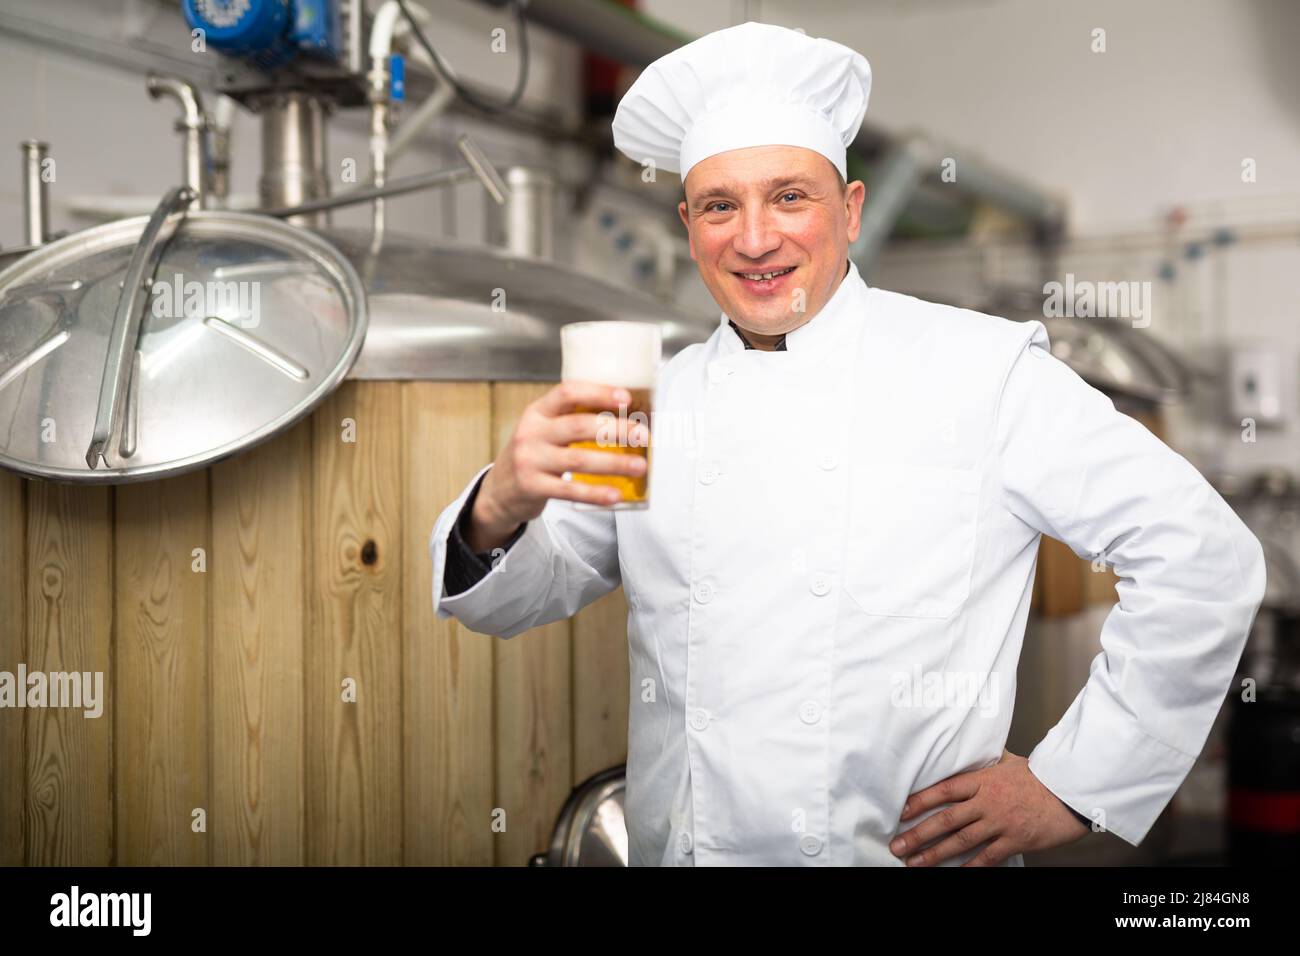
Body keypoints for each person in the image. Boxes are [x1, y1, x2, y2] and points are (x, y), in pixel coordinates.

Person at [429, 21, 1266, 866]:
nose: (755, 239)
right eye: (721, 205)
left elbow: (1202, 557)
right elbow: (527, 596)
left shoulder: (982, 369)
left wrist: (1075, 784)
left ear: (852, 210)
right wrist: (500, 502)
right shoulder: (655, 397)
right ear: (688, 224)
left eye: (790, 196)